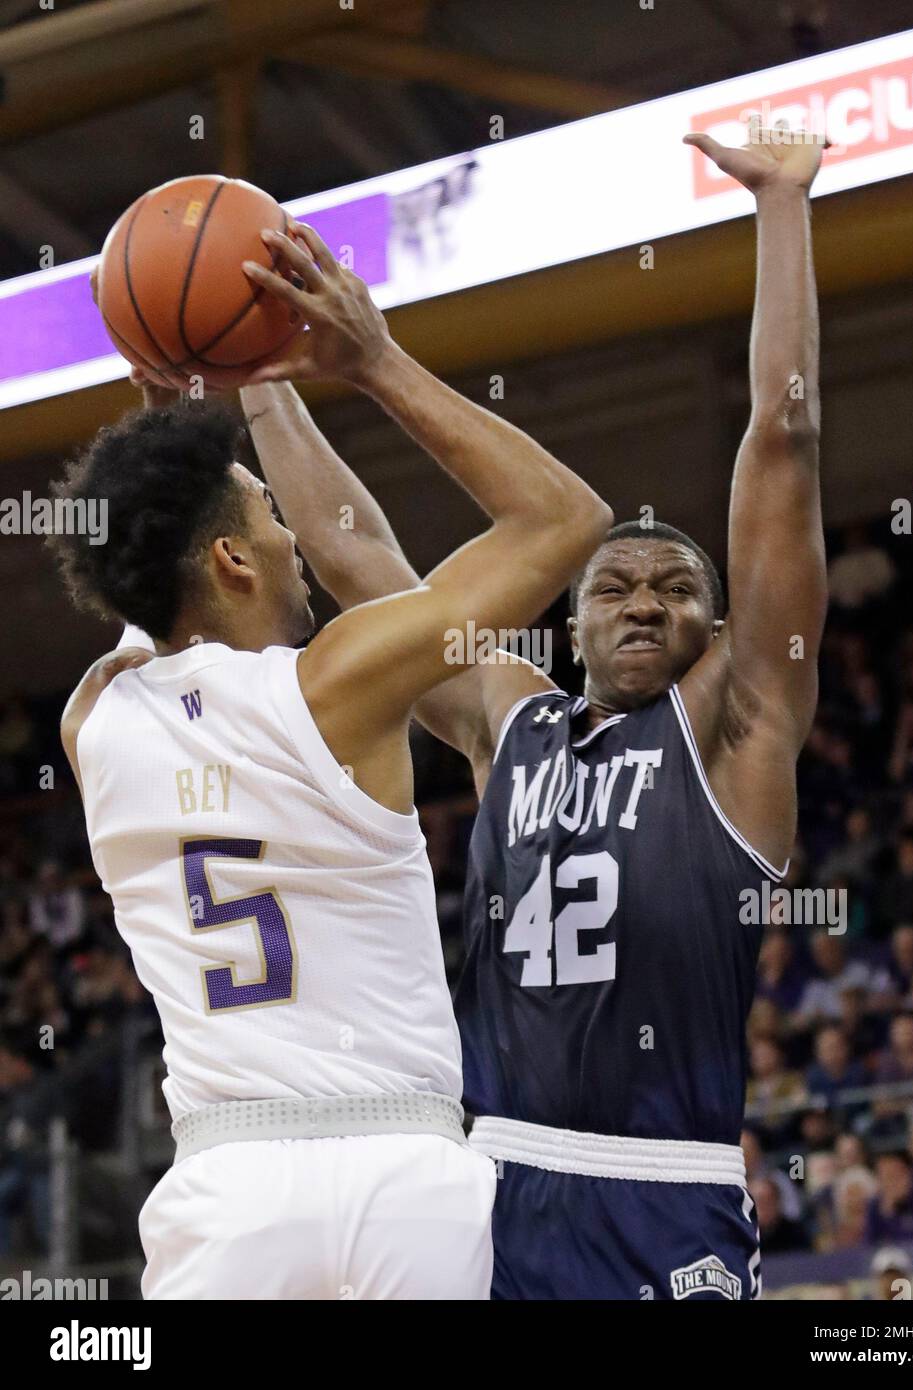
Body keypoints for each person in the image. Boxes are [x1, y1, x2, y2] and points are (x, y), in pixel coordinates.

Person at [243, 126, 828, 1299]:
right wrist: (258, 381)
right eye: (611, 585)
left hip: (661, 1196)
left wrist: (779, 206)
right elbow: (361, 565)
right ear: (565, 627)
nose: (643, 602)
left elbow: (783, 443)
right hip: (487, 1177)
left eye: (676, 588)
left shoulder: (734, 727)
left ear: (718, 633)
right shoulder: (509, 718)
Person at [51, 223, 611, 1300]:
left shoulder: (94, 718)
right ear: (229, 558)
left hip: (226, 1184)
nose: (291, 535)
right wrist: (368, 362)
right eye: (267, 515)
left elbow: (147, 567)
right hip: (402, 1172)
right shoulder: (340, 683)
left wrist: (193, 411)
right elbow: (562, 517)